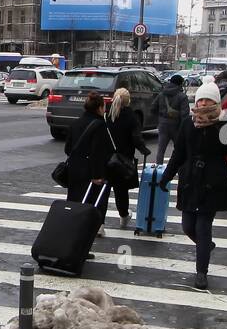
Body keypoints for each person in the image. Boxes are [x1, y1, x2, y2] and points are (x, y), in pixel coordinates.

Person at [160, 81, 227, 291]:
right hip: (190, 181)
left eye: (209, 100)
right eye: (201, 99)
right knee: (187, 226)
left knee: (203, 227)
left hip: (213, 182)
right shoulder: (188, 122)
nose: (204, 103)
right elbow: (179, 154)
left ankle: (201, 272)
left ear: (216, 102)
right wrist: (166, 177)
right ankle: (207, 247)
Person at [63, 91, 113, 236]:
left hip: (74, 169)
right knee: (92, 204)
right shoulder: (100, 125)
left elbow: (68, 148)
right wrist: (97, 174)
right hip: (91, 172)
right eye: (104, 106)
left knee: (74, 202)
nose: (105, 109)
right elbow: (99, 152)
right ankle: (87, 235)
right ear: (99, 108)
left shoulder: (76, 122)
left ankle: (71, 232)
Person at [105, 87, 151, 229]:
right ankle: (123, 216)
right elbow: (136, 138)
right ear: (128, 101)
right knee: (121, 191)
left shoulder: (106, 114)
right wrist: (144, 150)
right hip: (122, 160)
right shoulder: (131, 117)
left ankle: (99, 224)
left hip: (105, 157)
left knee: (103, 191)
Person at [153, 74, 190, 165]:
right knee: (180, 149)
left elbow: (153, 108)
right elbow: (185, 115)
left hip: (163, 124)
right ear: (180, 84)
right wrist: (184, 129)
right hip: (177, 126)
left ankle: (159, 170)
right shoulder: (182, 96)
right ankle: (181, 169)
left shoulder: (162, 94)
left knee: (161, 150)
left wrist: (160, 118)